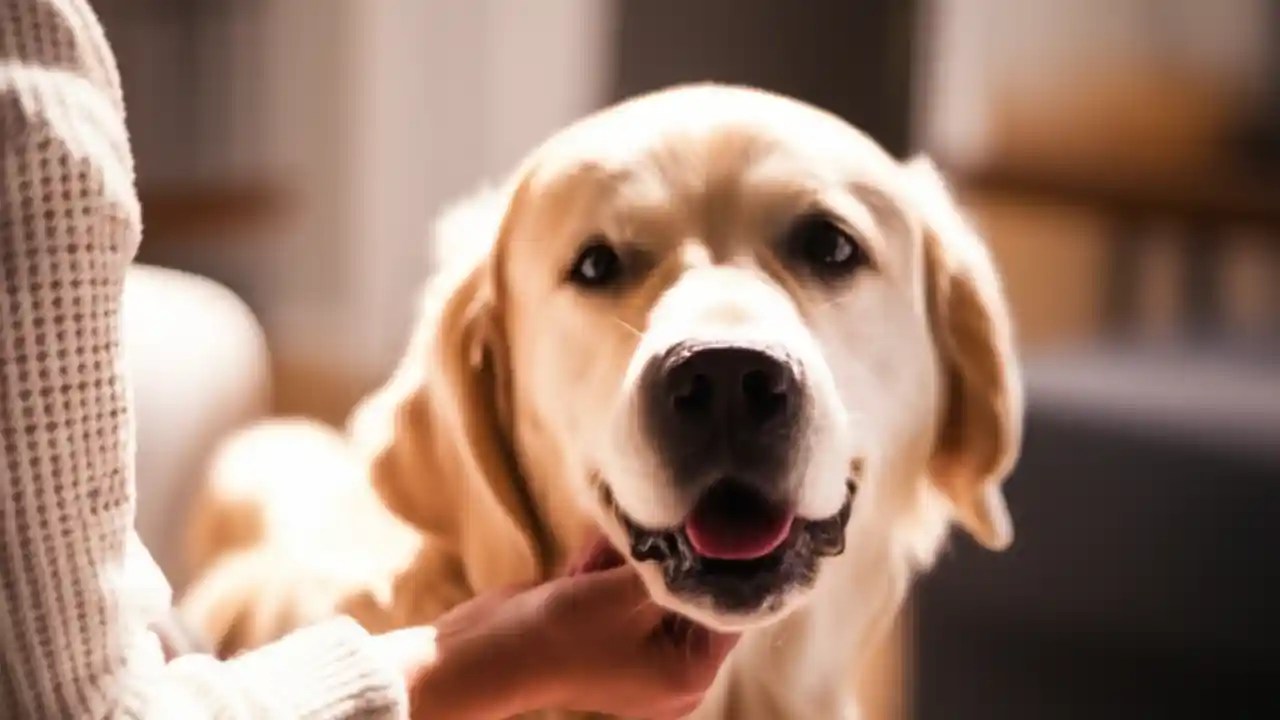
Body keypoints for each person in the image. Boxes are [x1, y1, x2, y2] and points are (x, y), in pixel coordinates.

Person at [0, 0, 736, 717]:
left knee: (266, 438)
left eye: (827, 250)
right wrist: (512, 655)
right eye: (601, 266)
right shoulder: (29, 100)